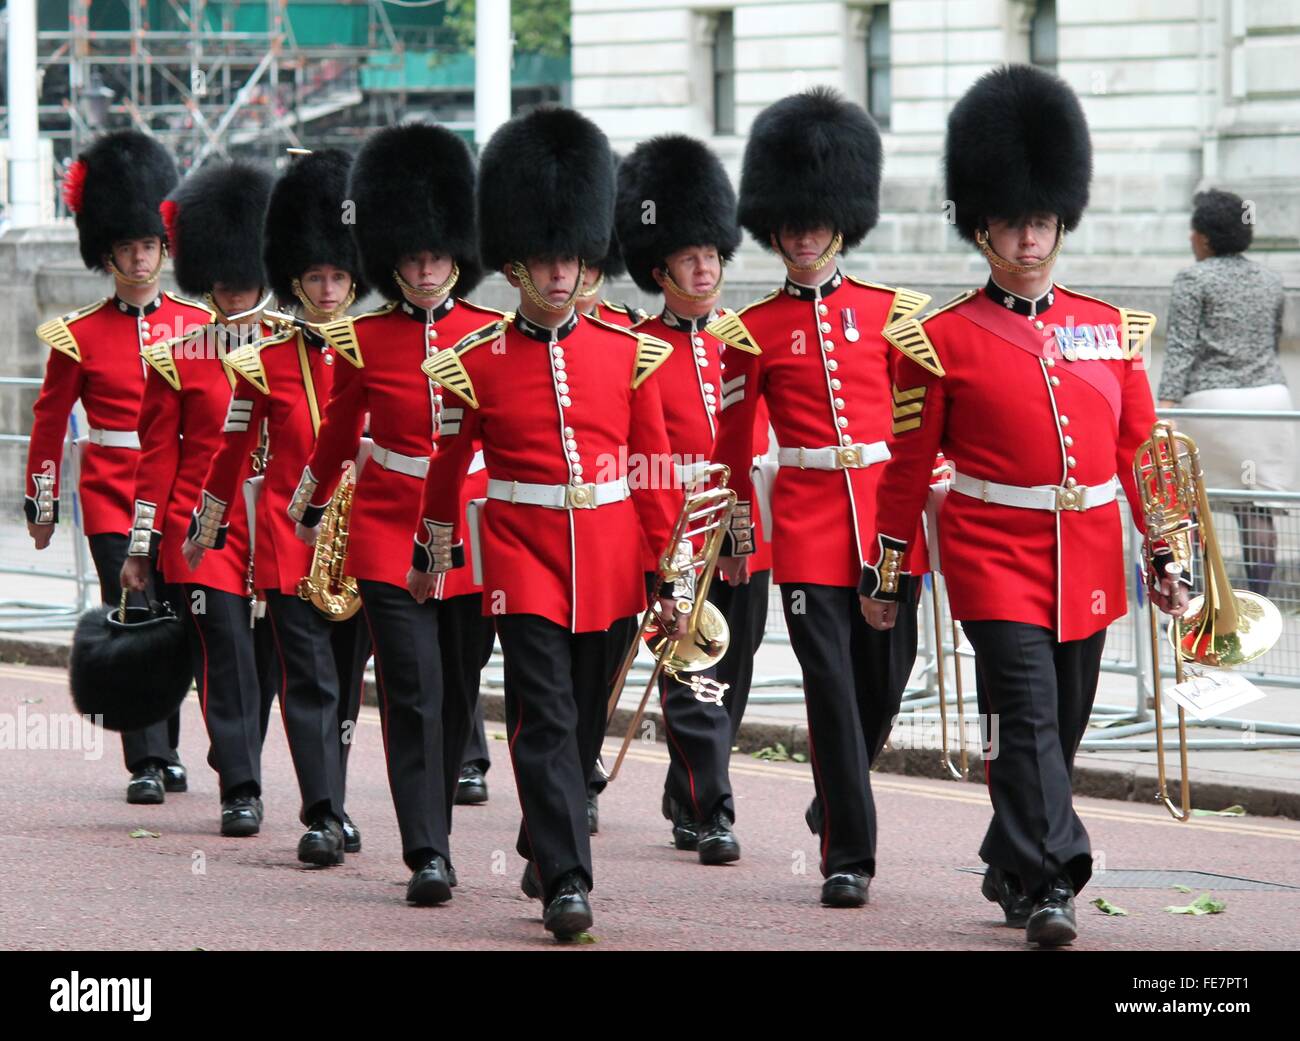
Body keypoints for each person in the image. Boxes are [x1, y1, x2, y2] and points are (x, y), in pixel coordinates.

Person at [858, 64, 1189, 947]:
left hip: (1086, 551)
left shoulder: (1108, 331)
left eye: (1042, 222)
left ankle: (1010, 858)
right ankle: (1053, 881)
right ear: (983, 228)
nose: (1031, 239)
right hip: (991, 553)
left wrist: (1167, 548)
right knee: (1030, 712)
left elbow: (1142, 457)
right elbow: (905, 468)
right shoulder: (938, 342)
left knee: (1052, 728)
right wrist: (888, 568)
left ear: (1060, 220)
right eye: (1014, 223)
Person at [407, 105, 683, 940]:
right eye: (544, 261)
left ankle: (544, 831)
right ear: (516, 263)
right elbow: (449, 469)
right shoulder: (476, 361)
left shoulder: (629, 351)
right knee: (545, 714)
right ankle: (567, 879)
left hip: (609, 557)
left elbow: (653, 470)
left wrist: (664, 573)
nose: (560, 275)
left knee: (583, 720)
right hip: (521, 554)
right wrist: (432, 551)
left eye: (570, 259)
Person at [709, 88, 930, 908]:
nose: (800, 236)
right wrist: (737, 530)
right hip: (802, 524)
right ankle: (849, 854)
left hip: (885, 525)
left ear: (843, 219)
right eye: (787, 224)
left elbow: (920, 425)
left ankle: (838, 789)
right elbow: (733, 446)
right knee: (830, 687)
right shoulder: (750, 328)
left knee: (887, 677)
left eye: (813, 220)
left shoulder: (894, 315)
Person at [290, 124, 503, 902]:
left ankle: (435, 821)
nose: (422, 267)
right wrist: (309, 503)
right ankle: (427, 853)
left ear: (457, 254)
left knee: (456, 684)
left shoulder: (489, 335)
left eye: (435, 254)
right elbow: (341, 432)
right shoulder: (363, 340)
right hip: (386, 528)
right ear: (392, 259)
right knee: (411, 685)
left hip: (469, 534)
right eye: (410, 257)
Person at [25, 131, 206, 804]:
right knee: (133, 613)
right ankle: (147, 758)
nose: (140, 258)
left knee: (178, 617)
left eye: (149, 245)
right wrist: (41, 505)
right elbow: (48, 426)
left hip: (177, 492)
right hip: (107, 491)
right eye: (128, 247)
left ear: (164, 247)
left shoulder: (196, 325)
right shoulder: (79, 335)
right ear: (108, 252)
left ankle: (172, 744)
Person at [122, 160, 274, 838]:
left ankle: (236, 747)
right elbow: (158, 454)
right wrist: (142, 541)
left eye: (244, 279)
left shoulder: (297, 349)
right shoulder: (178, 355)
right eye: (224, 281)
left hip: (274, 526)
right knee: (225, 652)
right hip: (199, 527)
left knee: (267, 663)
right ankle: (240, 784)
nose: (234, 291)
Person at [613, 132, 746, 864]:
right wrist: (670, 552)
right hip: (678, 534)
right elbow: (649, 457)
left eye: (712, 254)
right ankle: (711, 809)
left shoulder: (742, 341)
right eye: (689, 257)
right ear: (659, 270)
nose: (704, 268)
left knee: (736, 667)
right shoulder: (643, 349)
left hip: (744, 530)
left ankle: (687, 788)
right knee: (694, 671)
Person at [1157, 187, 1294, 598]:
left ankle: (1196, 602)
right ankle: (1259, 606)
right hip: (1269, 403)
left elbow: (1180, 347)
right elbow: (1272, 339)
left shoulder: (1192, 279)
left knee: (1192, 506)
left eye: (1193, 230)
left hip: (1210, 402)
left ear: (1206, 237)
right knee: (1255, 509)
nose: (1189, 238)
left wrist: (1164, 408)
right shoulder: (1271, 280)